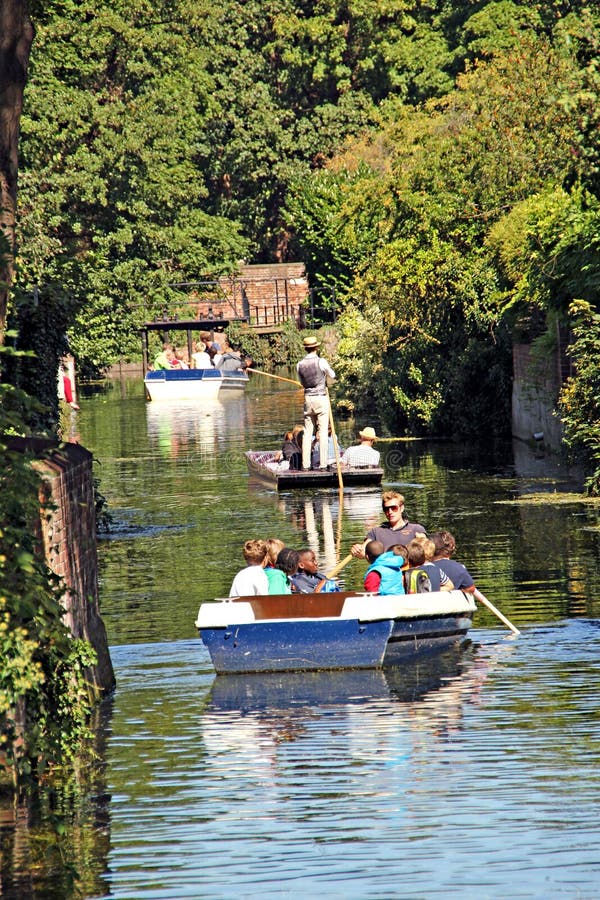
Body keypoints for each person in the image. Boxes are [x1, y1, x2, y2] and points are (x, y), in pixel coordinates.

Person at [296, 336, 335, 470]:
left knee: (307, 432)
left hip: (308, 399)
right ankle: (323, 465)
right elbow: (333, 375)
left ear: (306, 348)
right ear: (316, 348)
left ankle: (305, 465)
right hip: (321, 398)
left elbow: (302, 382)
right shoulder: (321, 361)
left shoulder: (299, 364)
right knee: (323, 431)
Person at [351, 491, 427, 558]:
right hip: (385, 572)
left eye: (393, 508)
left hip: (409, 571)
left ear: (402, 508)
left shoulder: (416, 529)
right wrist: (357, 550)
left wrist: (422, 542)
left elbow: (427, 551)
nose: (390, 512)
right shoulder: (376, 532)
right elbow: (363, 553)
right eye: (386, 509)